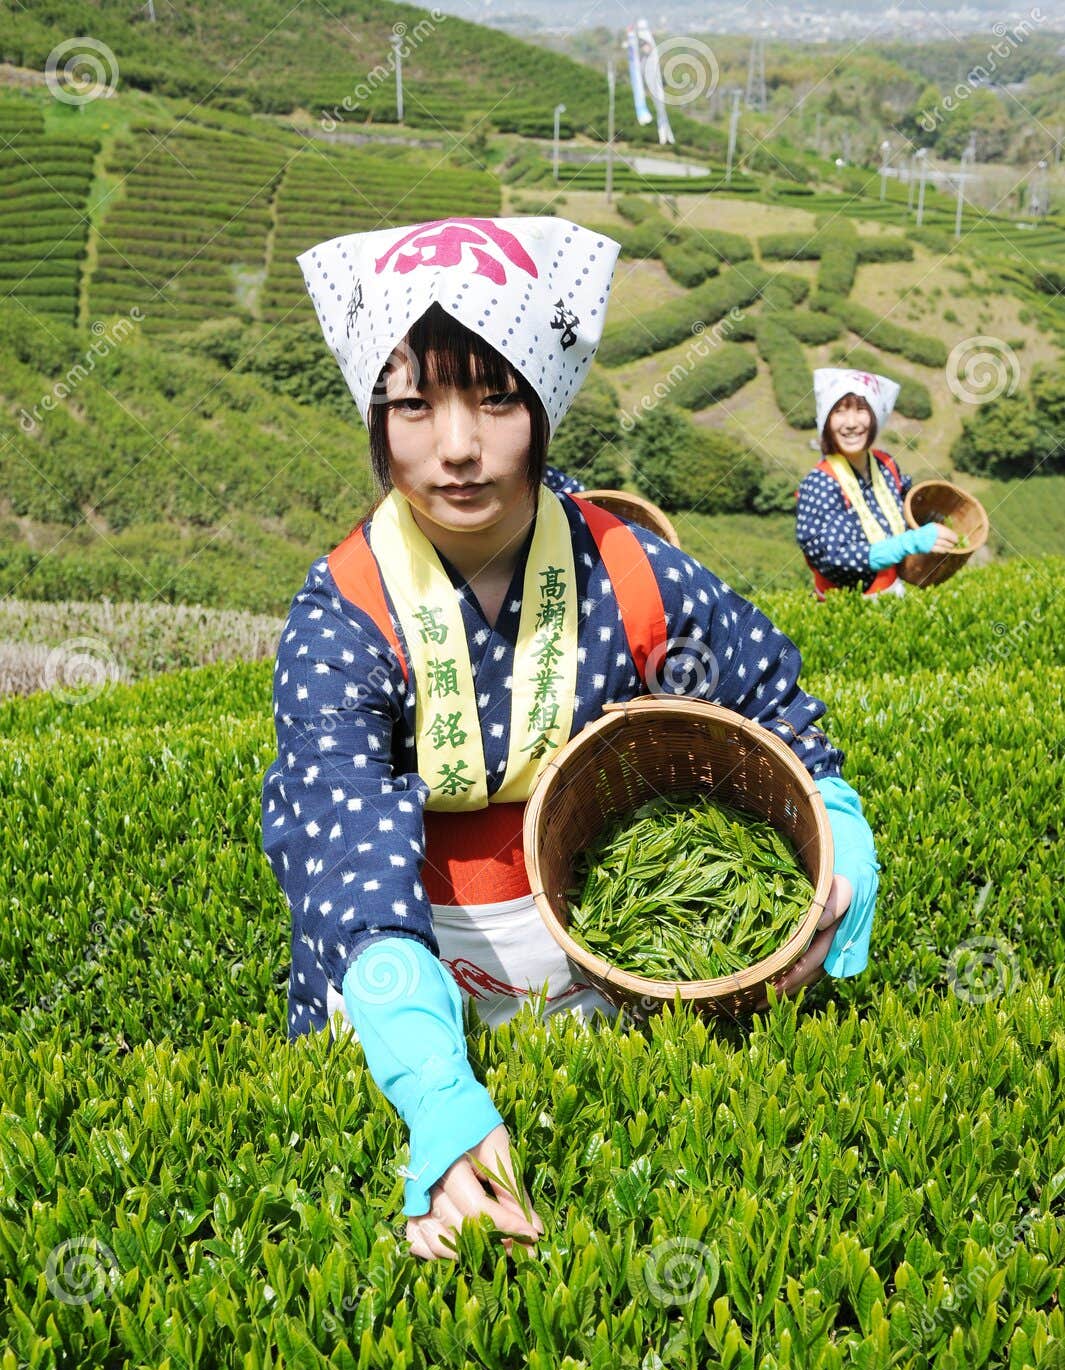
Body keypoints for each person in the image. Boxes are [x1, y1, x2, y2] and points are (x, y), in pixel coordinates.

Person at [261, 216, 881, 1262]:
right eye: (413, 403)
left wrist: (842, 833)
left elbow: (779, 710)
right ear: (376, 417)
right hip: (404, 983)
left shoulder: (630, 572)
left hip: (606, 965)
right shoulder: (347, 617)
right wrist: (434, 1092)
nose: (456, 445)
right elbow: (350, 873)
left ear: (545, 410)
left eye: (495, 398)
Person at [795, 367, 958, 599]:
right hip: (846, 607)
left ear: (875, 418)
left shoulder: (885, 464)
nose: (851, 423)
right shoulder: (819, 484)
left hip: (892, 594)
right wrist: (908, 544)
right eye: (839, 412)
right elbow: (833, 557)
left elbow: (908, 509)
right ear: (827, 422)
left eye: (861, 410)